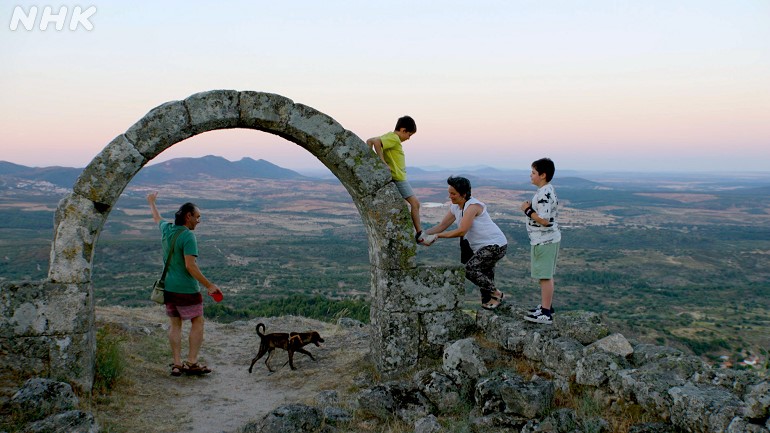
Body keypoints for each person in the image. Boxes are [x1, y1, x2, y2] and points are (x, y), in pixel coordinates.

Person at [147, 192, 223, 376]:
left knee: (175, 325)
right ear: (188, 216)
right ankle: (192, 362)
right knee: (198, 322)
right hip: (187, 289)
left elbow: (157, 218)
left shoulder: (167, 229)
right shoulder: (188, 236)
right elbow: (191, 266)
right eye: (197, 217)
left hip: (169, 288)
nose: (199, 221)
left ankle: (176, 364)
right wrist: (209, 285)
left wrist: (152, 202)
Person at [421, 176, 508, 309]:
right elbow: (442, 225)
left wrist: (437, 236)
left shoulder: (473, 207)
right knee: (484, 273)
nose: (450, 196)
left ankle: (497, 294)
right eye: (449, 193)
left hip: (495, 245)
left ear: (464, 194)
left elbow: (462, 231)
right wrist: (424, 235)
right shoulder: (455, 207)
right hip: (483, 247)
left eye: (453, 194)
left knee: (470, 269)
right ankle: (488, 303)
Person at [367, 115, 425, 243]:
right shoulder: (394, 138)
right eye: (409, 135)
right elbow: (376, 142)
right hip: (399, 178)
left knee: (404, 206)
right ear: (403, 130)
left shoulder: (389, 136)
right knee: (415, 204)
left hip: (398, 177)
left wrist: (373, 158)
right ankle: (419, 232)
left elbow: (371, 141)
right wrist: (382, 162)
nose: (409, 138)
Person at [521, 158, 561, 325]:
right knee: (545, 276)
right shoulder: (547, 190)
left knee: (545, 276)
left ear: (543, 175)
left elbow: (544, 220)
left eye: (533, 172)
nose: (531, 175)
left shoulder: (544, 193)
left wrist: (527, 210)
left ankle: (545, 313)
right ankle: (546, 306)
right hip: (546, 240)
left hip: (544, 241)